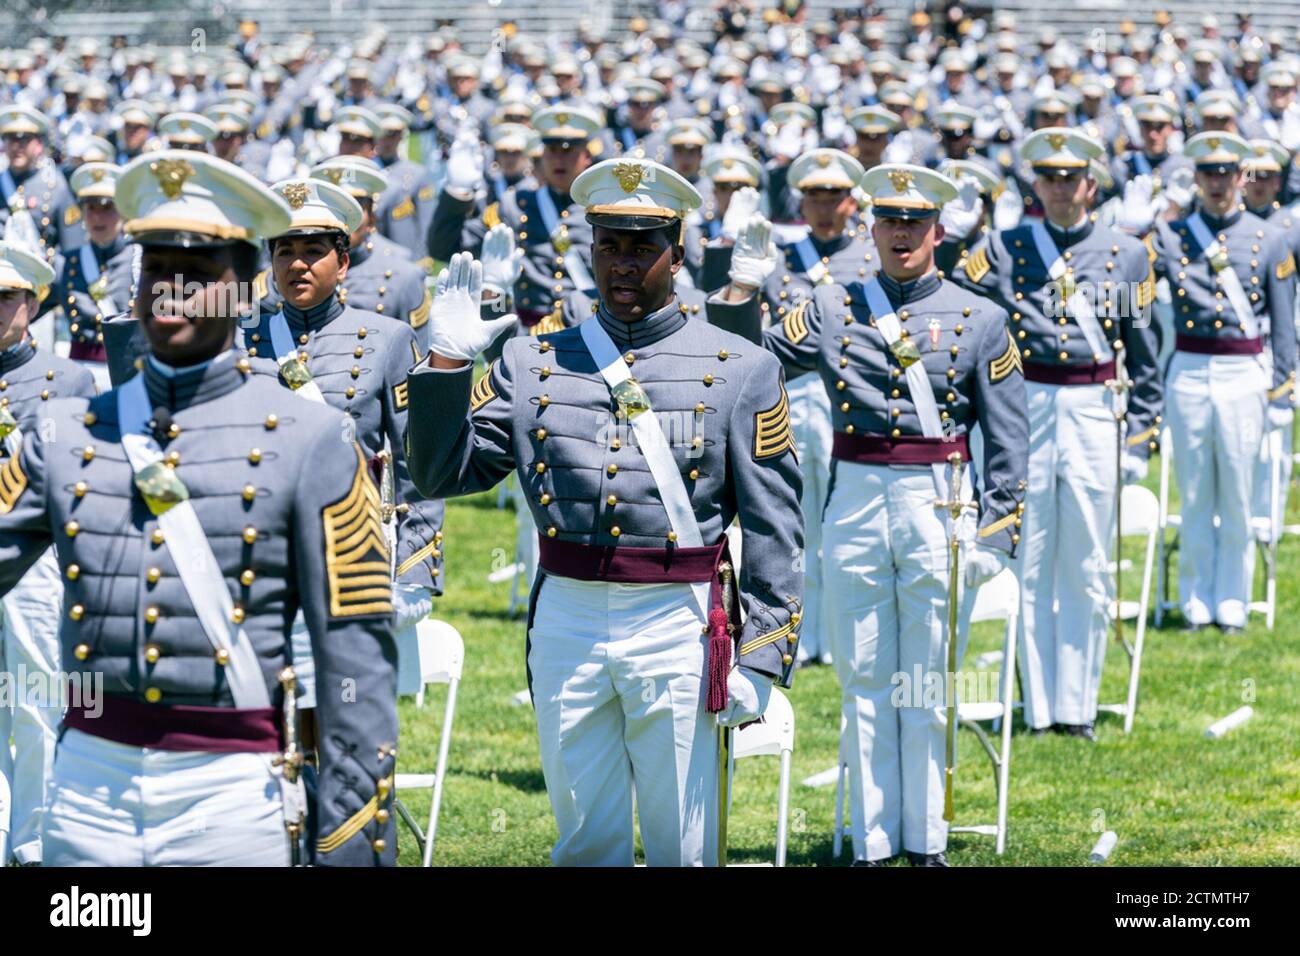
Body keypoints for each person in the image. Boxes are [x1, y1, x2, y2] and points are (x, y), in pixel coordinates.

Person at [405, 157, 804, 866]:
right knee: (585, 838)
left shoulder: (741, 366)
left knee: (684, 843)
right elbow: (440, 473)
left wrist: (764, 655)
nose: (624, 263)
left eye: (643, 245)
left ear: (677, 253)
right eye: (609, 244)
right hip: (568, 614)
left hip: (678, 615)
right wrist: (443, 364)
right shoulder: (534, 362)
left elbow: (776, 522)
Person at [8, 151, 399, 865]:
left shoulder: (314, 441)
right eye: (157, 268)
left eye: (199, 274)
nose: (173, 291)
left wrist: (352, 837)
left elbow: (357, 663)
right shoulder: (66, 434)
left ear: (242, 289)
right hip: (90, 778)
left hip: (232, 786)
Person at [714, 162, 1028, 865]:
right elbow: (742, 357)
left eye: (915, 222)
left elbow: (1008, 436)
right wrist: (741, 288)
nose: (902, 233)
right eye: (890, 220)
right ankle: (872, 839)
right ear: (872, 227)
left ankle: (927, 840)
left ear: (939, 230)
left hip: (938, 496)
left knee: (925, 678)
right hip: (856, 491)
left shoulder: (981, 317)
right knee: (862, 677)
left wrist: (999, 532)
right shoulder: (833, 307)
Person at [953, 129, 1162, 740]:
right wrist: (962, 235)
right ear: (1036, 185)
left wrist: (1143, 430)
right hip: (1027, 402)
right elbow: (952, 300)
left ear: (1091, 184)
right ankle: (1039, 708)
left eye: (1071, 178)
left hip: (1096, 403)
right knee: (1032, 555)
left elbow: (1144, 353)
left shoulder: (1126, 254)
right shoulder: (1007, 245)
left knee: (1090, 558)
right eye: (1049, 177)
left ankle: (1079, 705)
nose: (1061, 188)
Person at [0, 241, 96, 865]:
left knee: (35, 705)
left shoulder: (69, 378)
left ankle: (32, 840)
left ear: (31, 304)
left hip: (32, 564)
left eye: (5, 297)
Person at [43, 162, 137, 390]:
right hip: (79, 370)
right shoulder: (67, 262)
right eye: (90, 208)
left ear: (123, 211)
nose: (97, 217)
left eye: (107, 208)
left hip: (126, 369)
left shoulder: (138, 260)